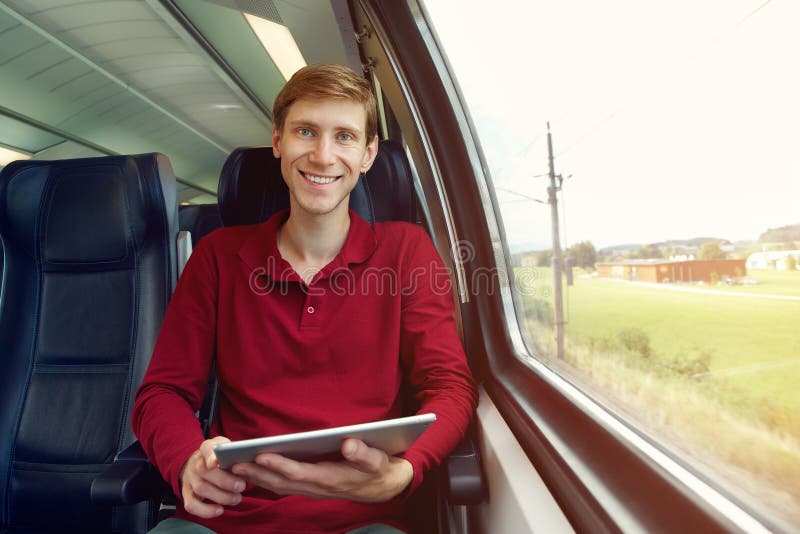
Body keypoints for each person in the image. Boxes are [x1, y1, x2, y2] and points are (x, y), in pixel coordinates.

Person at [132, 63, 477, 534]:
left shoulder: (407, 251)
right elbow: (162, 392)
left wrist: (405, 471)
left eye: (344, 137)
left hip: (361, 519)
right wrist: (186, 461)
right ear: (278, 141)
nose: (322, 155)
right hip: (225, 517)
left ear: (368, 154)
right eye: (306, 131)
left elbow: (450, 386)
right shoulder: (217, 256)